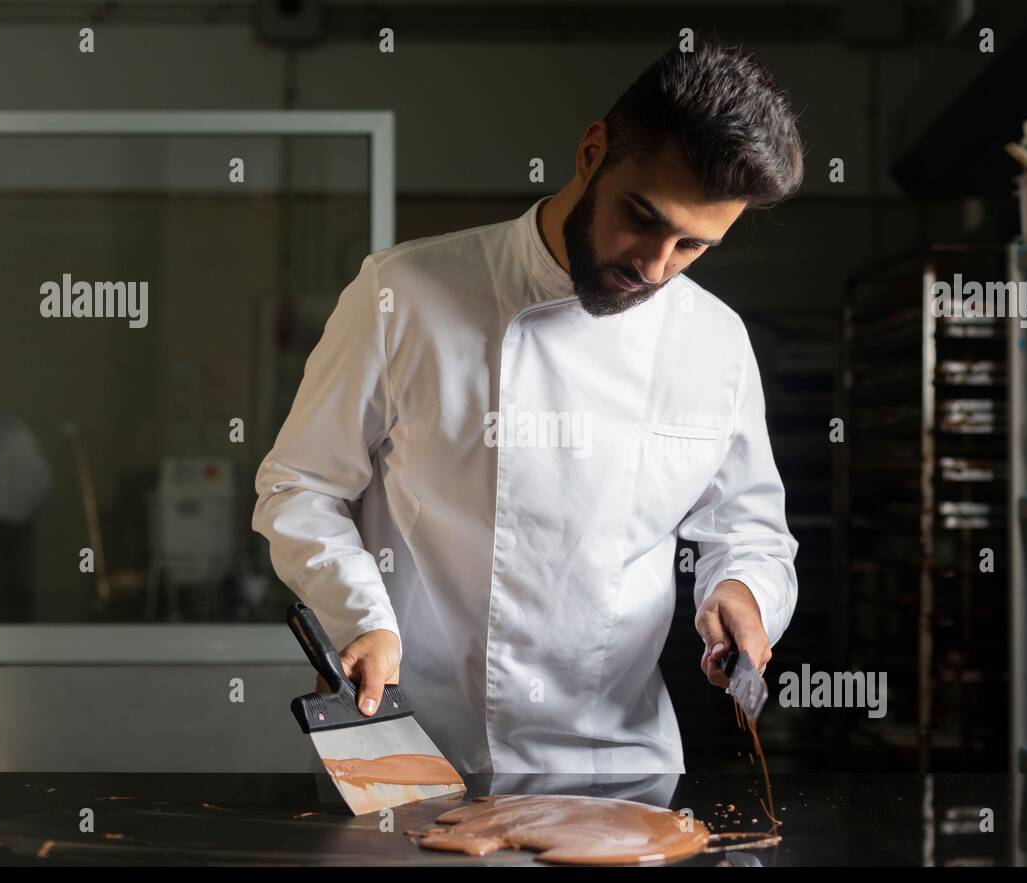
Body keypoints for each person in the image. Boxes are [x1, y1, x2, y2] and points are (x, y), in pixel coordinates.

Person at [252, 39, 804, 773]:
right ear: (592, 152)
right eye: (641, 217)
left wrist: (743, 594)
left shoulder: (714, 342)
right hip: (411, 745)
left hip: (620, 766)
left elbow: (749, 533)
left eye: (692, 247)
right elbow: (299, 487)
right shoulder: (401, 294)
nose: (654, 265)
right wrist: (363, 619)